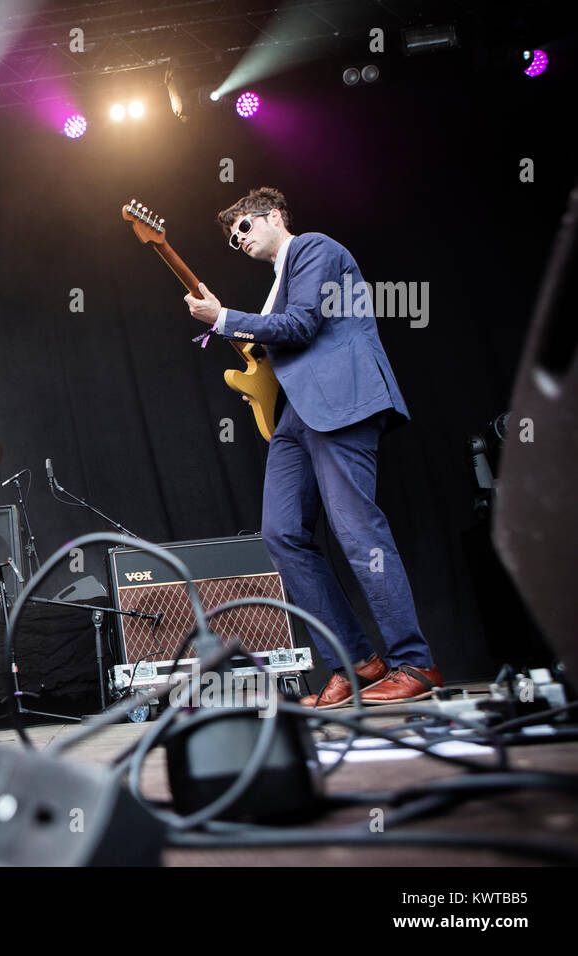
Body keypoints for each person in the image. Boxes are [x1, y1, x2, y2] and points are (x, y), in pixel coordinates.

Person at [184, 187, 441, 706]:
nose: (240, 238)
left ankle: (415, 663)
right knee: (281, 533)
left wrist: (224, 318)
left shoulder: (314, 248)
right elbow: (277, 340)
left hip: (341, 400)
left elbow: (302, 325)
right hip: (298, 415)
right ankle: (356, 663)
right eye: (234, 237)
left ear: (275, 216)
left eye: (245, 227)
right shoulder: (278, 282)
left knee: (356, 530)